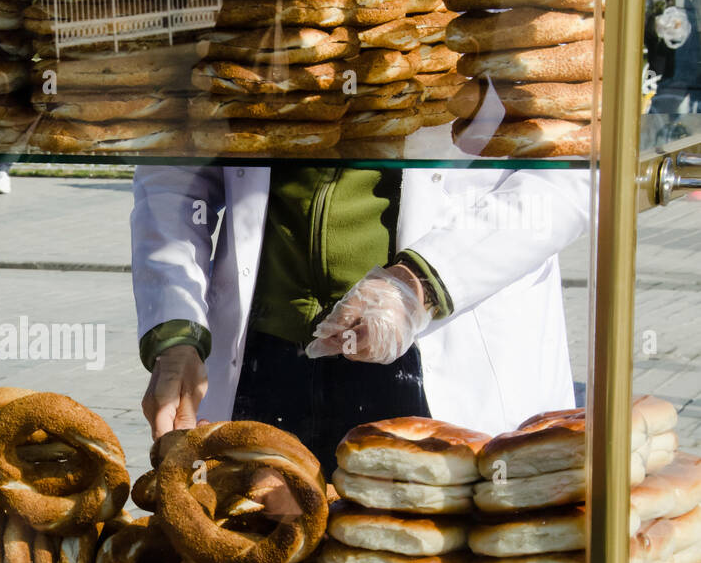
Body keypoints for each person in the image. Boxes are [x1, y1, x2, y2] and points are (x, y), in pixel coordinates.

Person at [132, 164, 590, 474]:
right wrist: (177, 331)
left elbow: (573, 173)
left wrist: (420, 283)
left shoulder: (516, 20)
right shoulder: (253, 24)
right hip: (262, 356)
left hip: (440, 347)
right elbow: (173, 174)